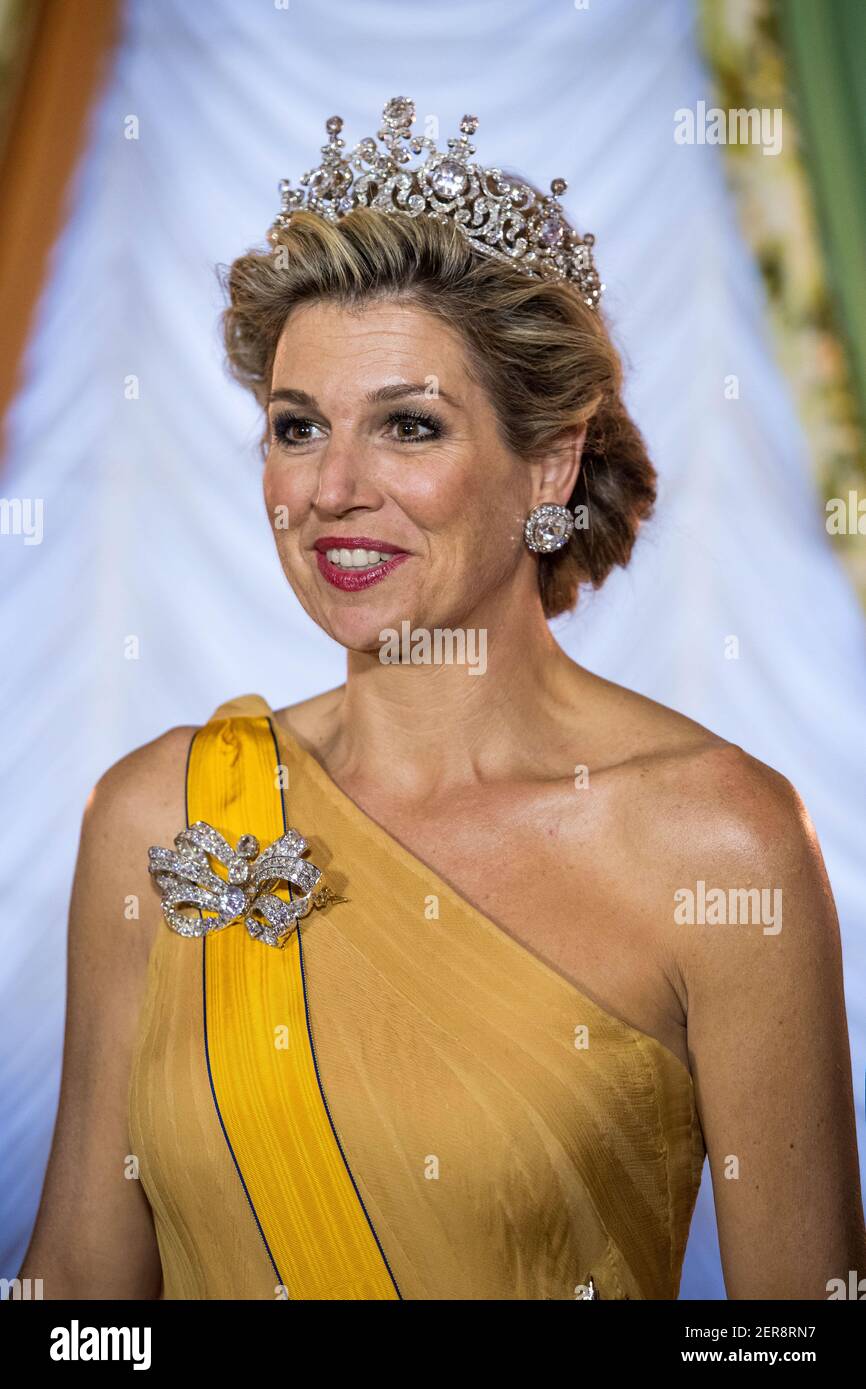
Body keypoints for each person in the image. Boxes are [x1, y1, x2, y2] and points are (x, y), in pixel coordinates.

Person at [19, 98, 865, 1300]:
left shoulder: (718, 841)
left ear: (548, 463)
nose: (332, 488)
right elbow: (75, 1302)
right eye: (297, 428)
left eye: (408, 426)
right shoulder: (161, 812)